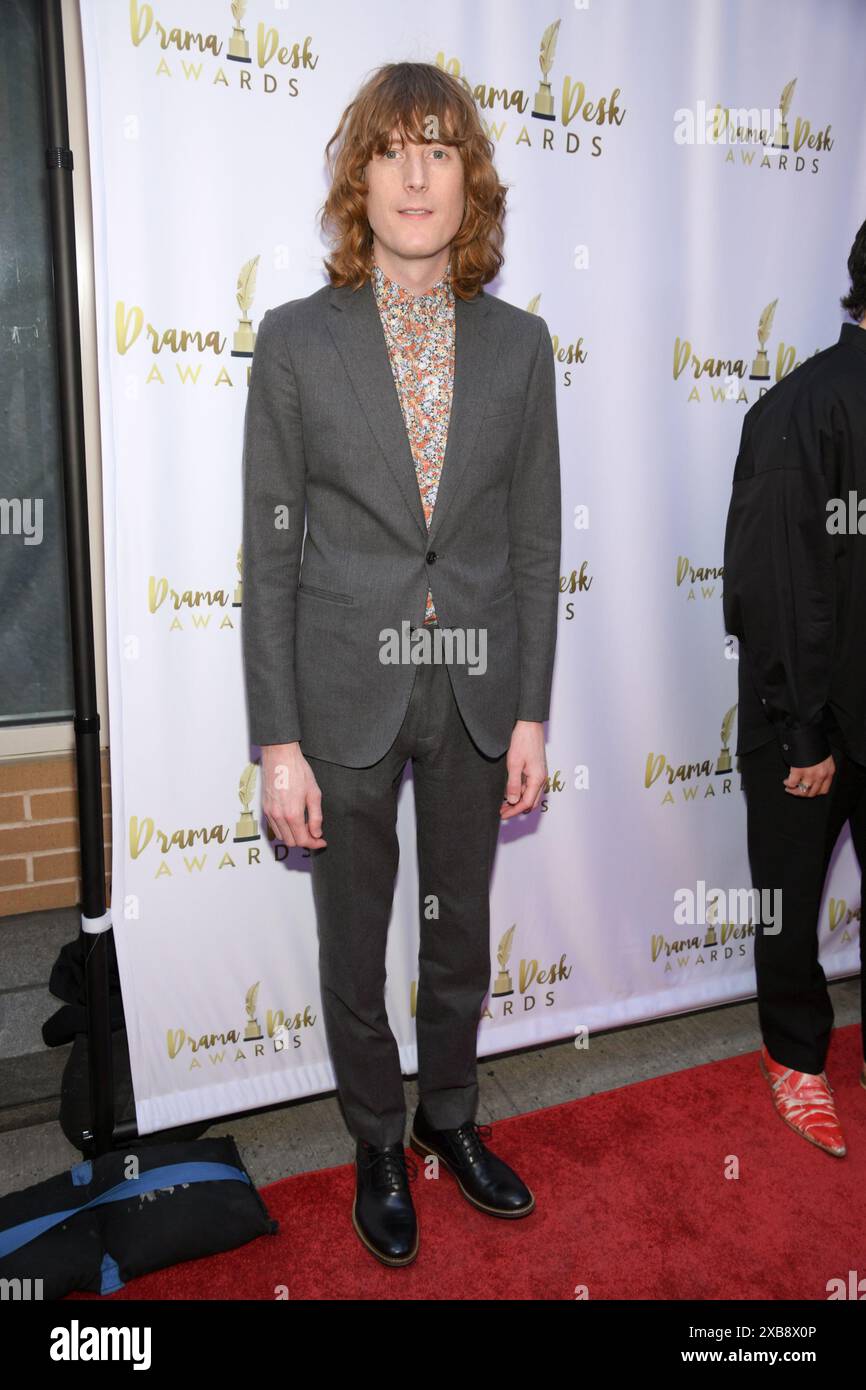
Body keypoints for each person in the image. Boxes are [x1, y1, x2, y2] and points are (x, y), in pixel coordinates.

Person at [241, 62, 561, 1263]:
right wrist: (277, 741)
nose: (415, 173)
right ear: (357, 178)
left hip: (477, 684)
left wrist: (529, 711)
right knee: (351, 937)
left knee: (458, 931)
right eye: (391, 150)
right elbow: (266, 555)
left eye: (437, 148)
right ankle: (377, 1138)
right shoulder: (293, 343)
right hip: (340, 687)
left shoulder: (520, 345)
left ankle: (450, 1118)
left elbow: (535, 544)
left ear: (467, 179)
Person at [723, 217, 866, 1158]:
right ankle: (796, 1060)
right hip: (809, 725)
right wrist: (801, 730)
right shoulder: (804, 405)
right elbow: (770, 586)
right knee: (788, 897)